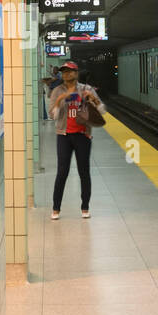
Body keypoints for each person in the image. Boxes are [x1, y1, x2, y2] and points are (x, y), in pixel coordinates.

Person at [48, 60, 103, 221]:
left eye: (70, 71)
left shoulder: (86, 89)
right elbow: (52, 115)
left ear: (76, 73)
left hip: (83, 135)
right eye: (64, 71)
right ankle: (56, 208)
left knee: (84, 172)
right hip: (64, 135)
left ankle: (85, 207)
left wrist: (93, 99)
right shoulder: (57, 91)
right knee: (62, 172)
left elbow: (102, 110)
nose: (66, 74)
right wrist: (60, 100)